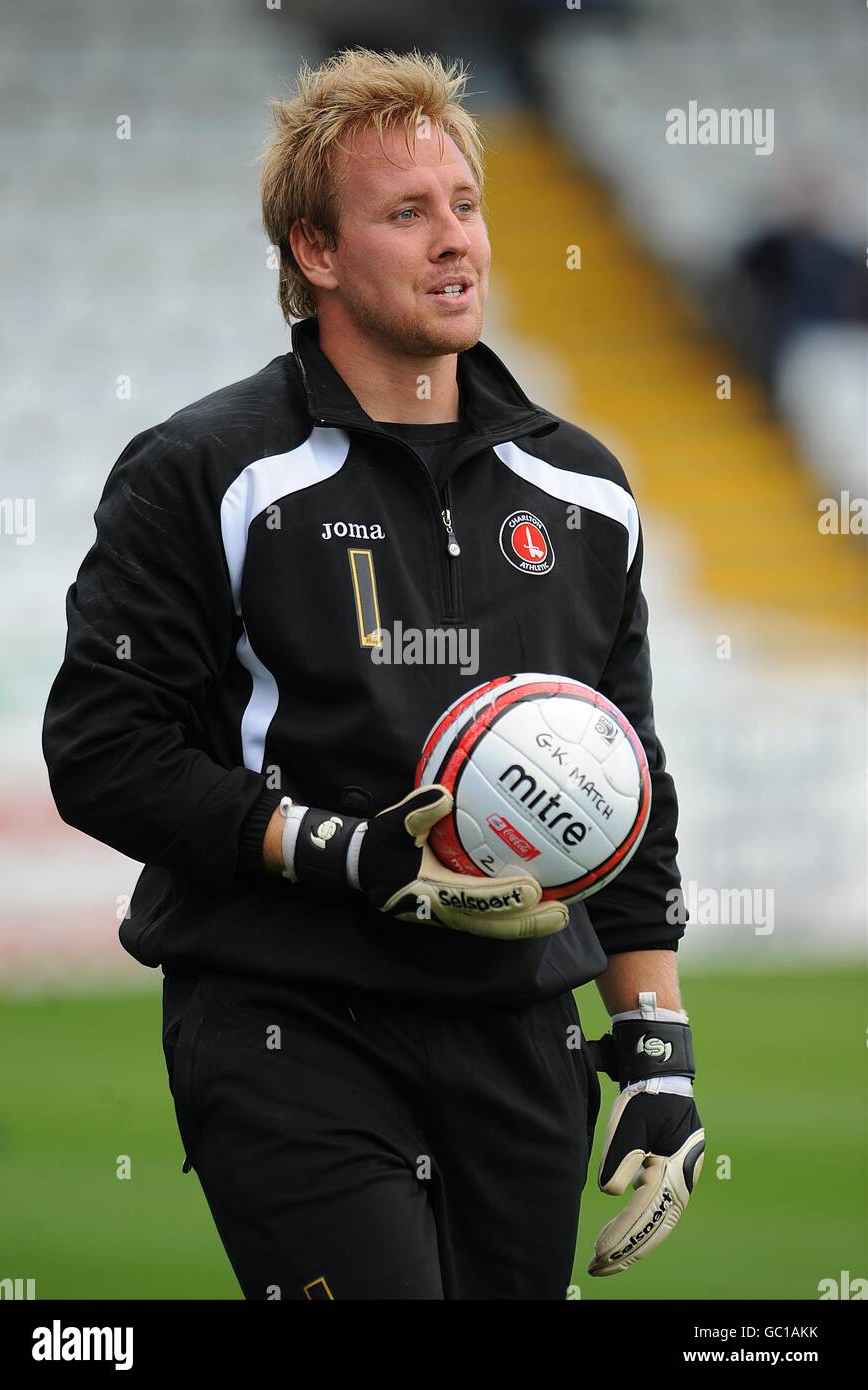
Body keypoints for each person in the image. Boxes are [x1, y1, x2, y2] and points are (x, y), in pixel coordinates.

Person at [41, 47, 704, 1300]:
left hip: (522, 1036)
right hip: (292, 1025)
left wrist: (658, 1050)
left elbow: (627, 788)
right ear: (317, 253)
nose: (456, 241)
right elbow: (102, 751)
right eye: (407, 214)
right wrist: (341, 850)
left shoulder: (583, 491)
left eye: (465, 205)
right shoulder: (202, 471)